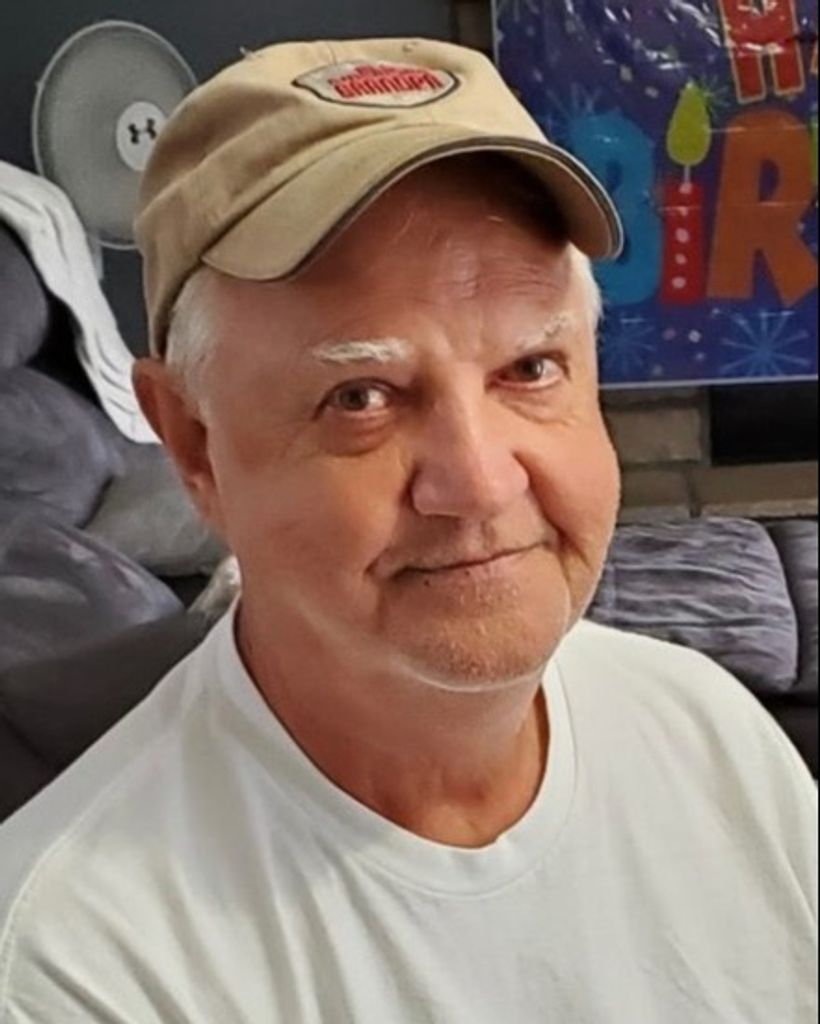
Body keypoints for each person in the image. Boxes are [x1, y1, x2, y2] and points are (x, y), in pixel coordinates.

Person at [0, 38, 816, 1023]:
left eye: (530, 369)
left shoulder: (709, 732)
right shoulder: (75, 961)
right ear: (194, 445)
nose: (478, 482)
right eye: (362, 395)